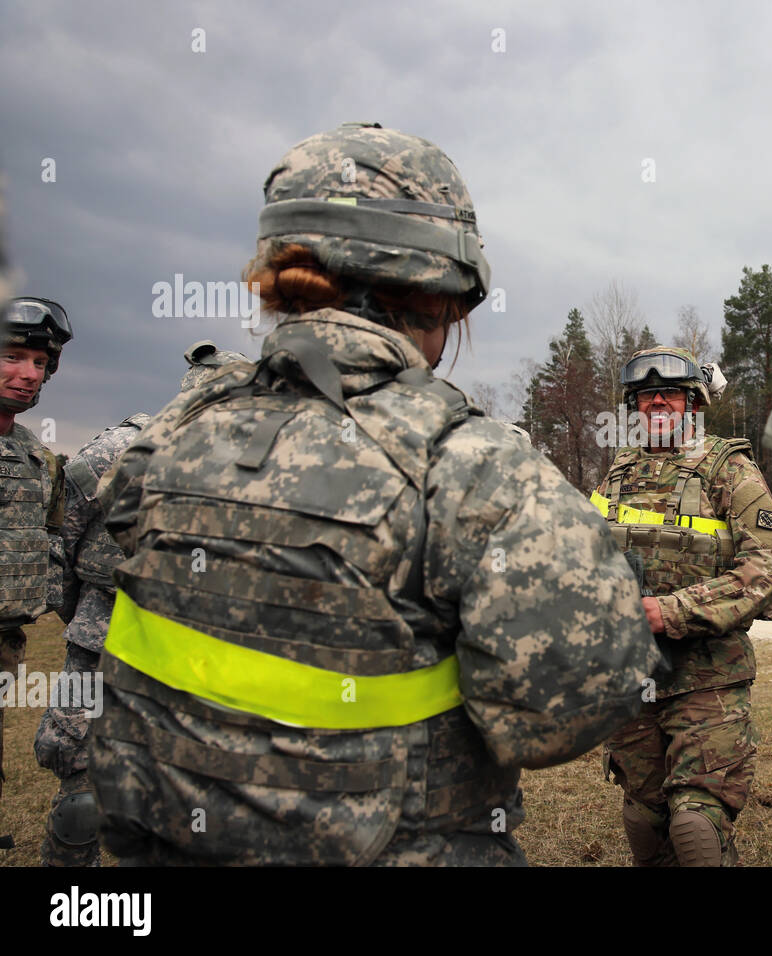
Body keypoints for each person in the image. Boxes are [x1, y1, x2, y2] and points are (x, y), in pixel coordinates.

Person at [88, 122, 663, 866]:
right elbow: (562, 710)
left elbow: (118, 522)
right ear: (442, 289)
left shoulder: (172, 431)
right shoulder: (472, 464)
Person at [34, 342, 249, 866]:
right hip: (103, 645)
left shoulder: (250, 472)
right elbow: (59, 542)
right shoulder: (119, 451)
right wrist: (82, 615)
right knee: (82, 801)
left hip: (193, 659)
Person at [589, 347, 772, 865]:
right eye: (646, 395)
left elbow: (769, 568)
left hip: (708, 677)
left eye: (670, 393)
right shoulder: (618, 472)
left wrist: (672, 611)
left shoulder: (730, 469)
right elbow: (581, 555)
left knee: (696, 823)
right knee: (644, 815)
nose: (658, 402)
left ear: (693, 402)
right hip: (633, 676)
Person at [0, 296, 70, 851]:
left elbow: (51, 537)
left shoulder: (35, 455)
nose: (27, 375)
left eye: (39, 364)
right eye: (12, 356)